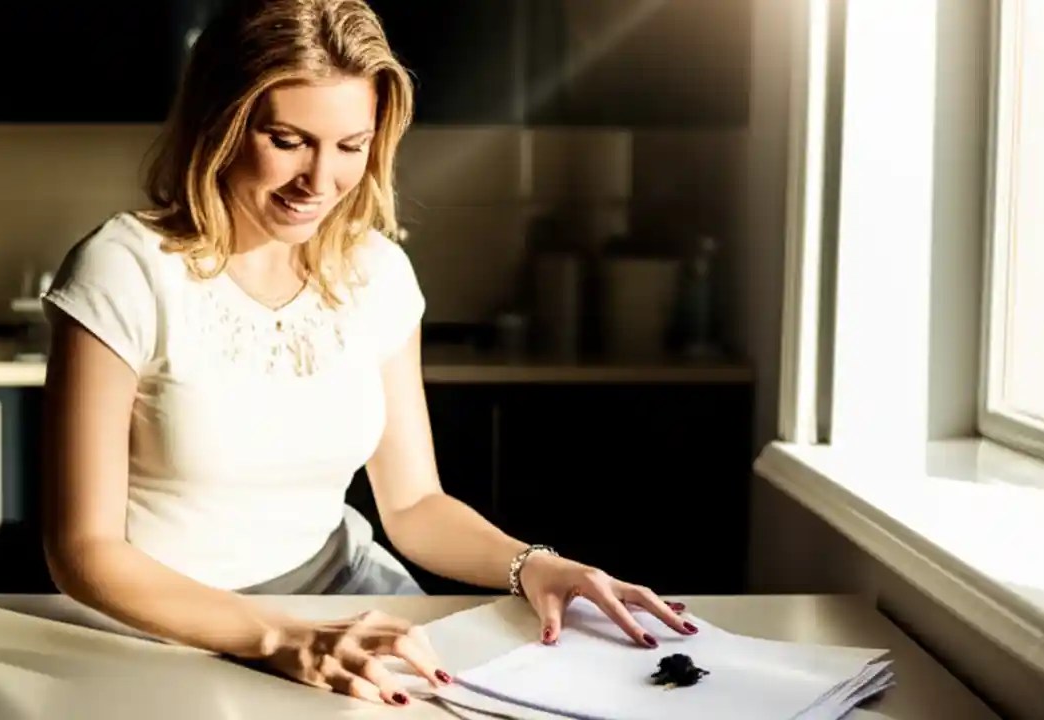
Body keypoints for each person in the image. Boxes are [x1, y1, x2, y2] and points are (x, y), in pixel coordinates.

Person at [38, 0, 697, 707]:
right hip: (172, 629)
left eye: (351, 146)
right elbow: (85, 552)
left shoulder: (376, 273)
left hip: (347, 602)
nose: (319, 182)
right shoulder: (124, 270)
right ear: (219, 123)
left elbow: (414, 504)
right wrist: (277, 637)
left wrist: (536, 565)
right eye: (288, 140)